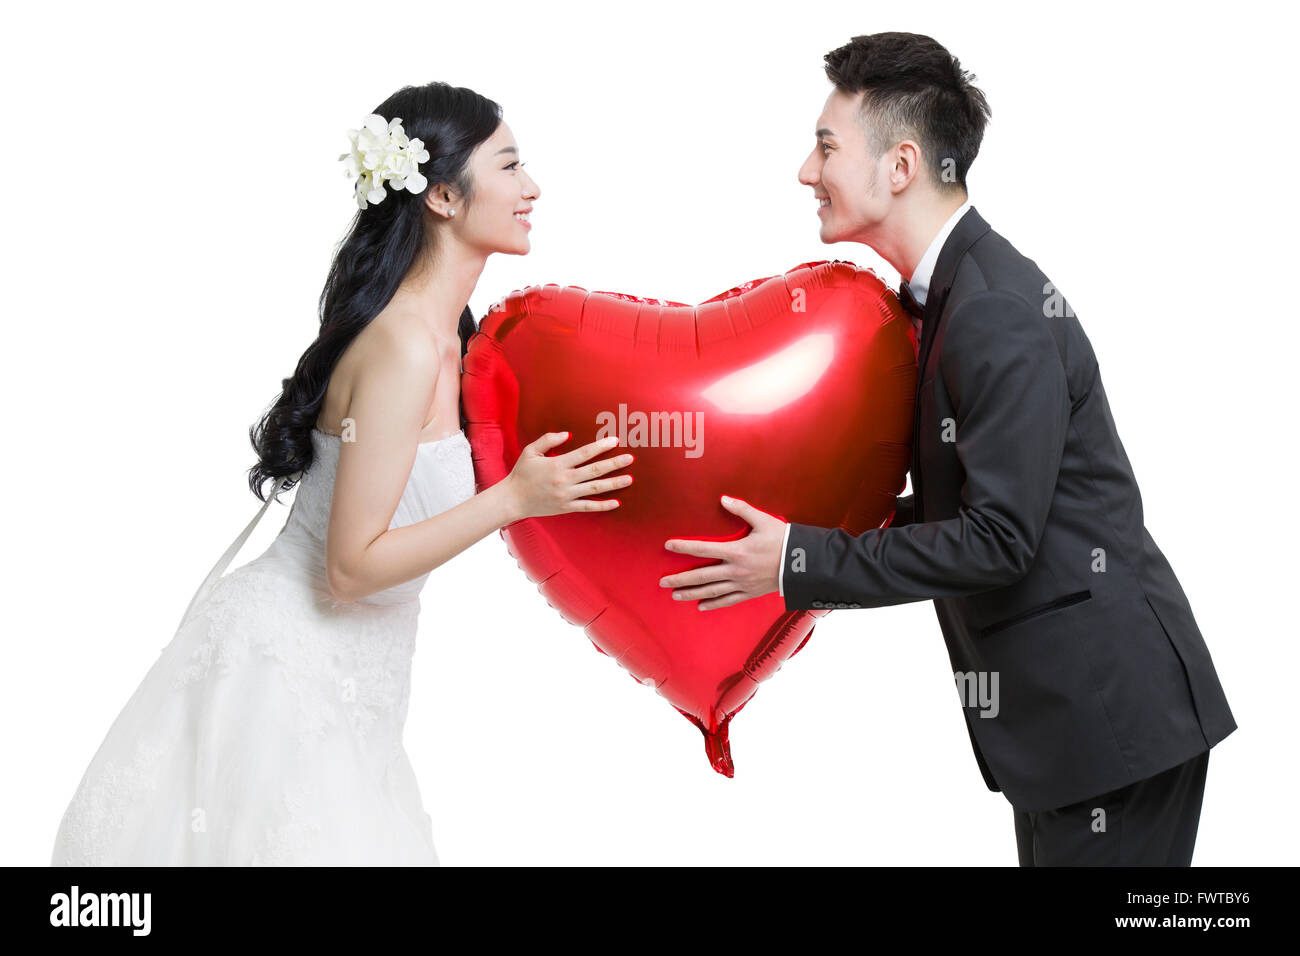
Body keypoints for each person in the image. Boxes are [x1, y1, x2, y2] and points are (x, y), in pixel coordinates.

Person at [659, 33, 1235, 865]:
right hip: (1067, 735)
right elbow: (953, 512)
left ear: (900, 166)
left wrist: (800, 562)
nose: (804, 171)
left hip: (1113, 724)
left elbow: (998, 539)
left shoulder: (995, 309)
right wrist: (795, 533)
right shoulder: (948, 294)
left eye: (825, 146)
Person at [51, 81, 635, 866]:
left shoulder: (456, 339)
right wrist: (512, 499)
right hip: (284, 669)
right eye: (509, 166)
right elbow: (351, 569)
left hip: (358, 684)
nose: (533, 188)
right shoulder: (402, 348)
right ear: (441, 196)